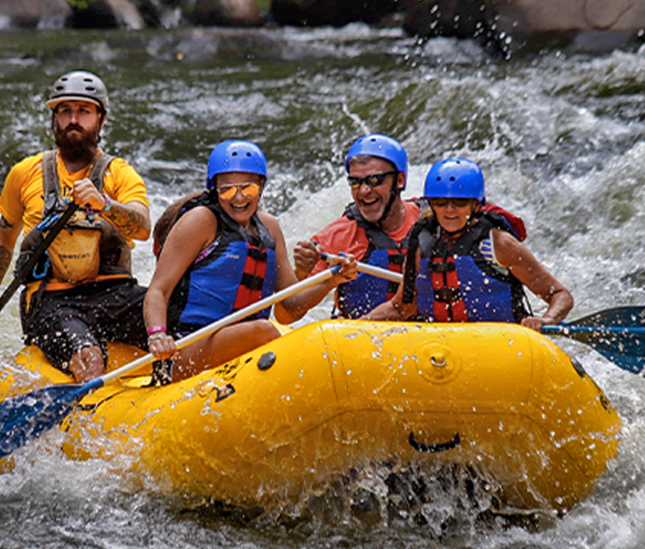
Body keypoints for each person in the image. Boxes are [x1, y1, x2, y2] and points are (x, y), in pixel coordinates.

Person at [0, 70, 151, 382]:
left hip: (115, 295)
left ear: (101, 119)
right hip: (51, 302)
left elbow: (142, 227)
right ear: (54, 119)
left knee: (178, 312)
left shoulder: (120, 174)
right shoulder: (25, 172)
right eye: (64, 111)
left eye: (84, 111)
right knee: (89, 358)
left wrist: (105, 204)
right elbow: (3, 236)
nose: (73, 120)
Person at [144, 139, 357, 381]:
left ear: (261, 185)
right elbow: (158, 290)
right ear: (213, 188)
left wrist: (331, 280)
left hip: (244, 348)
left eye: (248, 189)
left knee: (274, 331)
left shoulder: (269, 227)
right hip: (186, 349)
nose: (238, 198)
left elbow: (290, 308)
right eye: (226, 189)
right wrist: (157, 336)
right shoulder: (201, 221)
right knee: (264, 330)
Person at [293, 133, 527, 319]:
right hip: (367, 342)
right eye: (355, 182)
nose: (364, 191)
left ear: (400, 180)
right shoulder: (337, 237)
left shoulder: (442, 218)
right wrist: (322, 278)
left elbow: (503, 232)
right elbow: (287, 314)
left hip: (439, 342)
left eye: (375, 180)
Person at [365, 156, 572, 330]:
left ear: (475, 204)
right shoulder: (420, 244)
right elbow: (401, 308)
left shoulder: (499, 244)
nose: (449, 210)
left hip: (500, 344)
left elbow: (560, 295)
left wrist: (546, 320)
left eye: (460, 202)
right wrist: (358, 327)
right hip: (442, 348)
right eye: (440, 202)